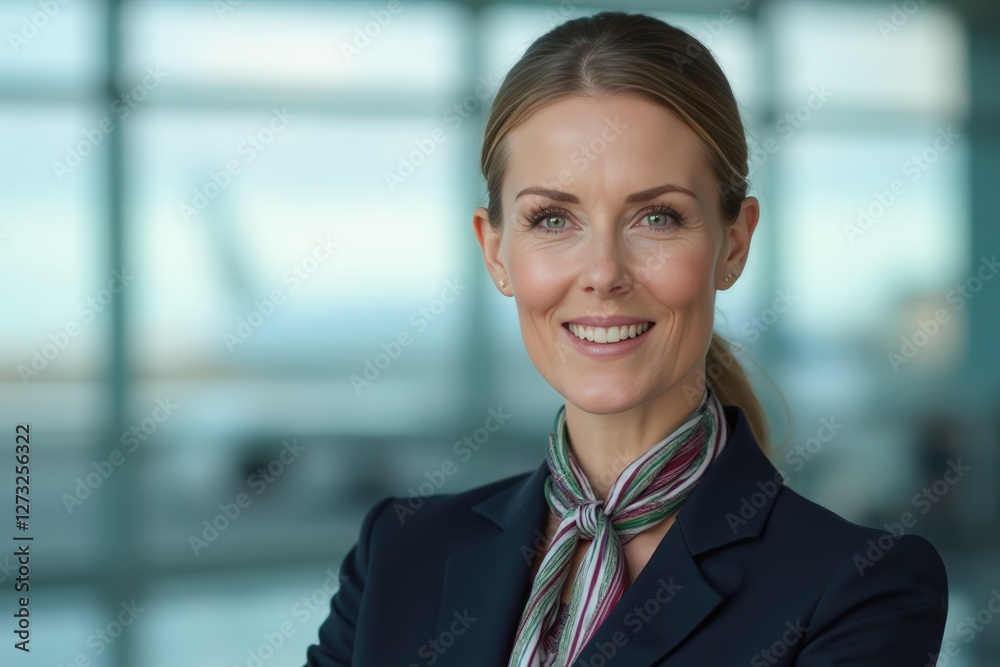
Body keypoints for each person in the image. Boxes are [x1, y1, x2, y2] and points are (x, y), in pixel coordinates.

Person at [305, 11, 948, 667]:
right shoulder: (400, 553)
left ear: (735, 241)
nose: (604, 273)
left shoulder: (858, 588)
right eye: (553, 218)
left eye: (657, 217)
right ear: (495, 250)